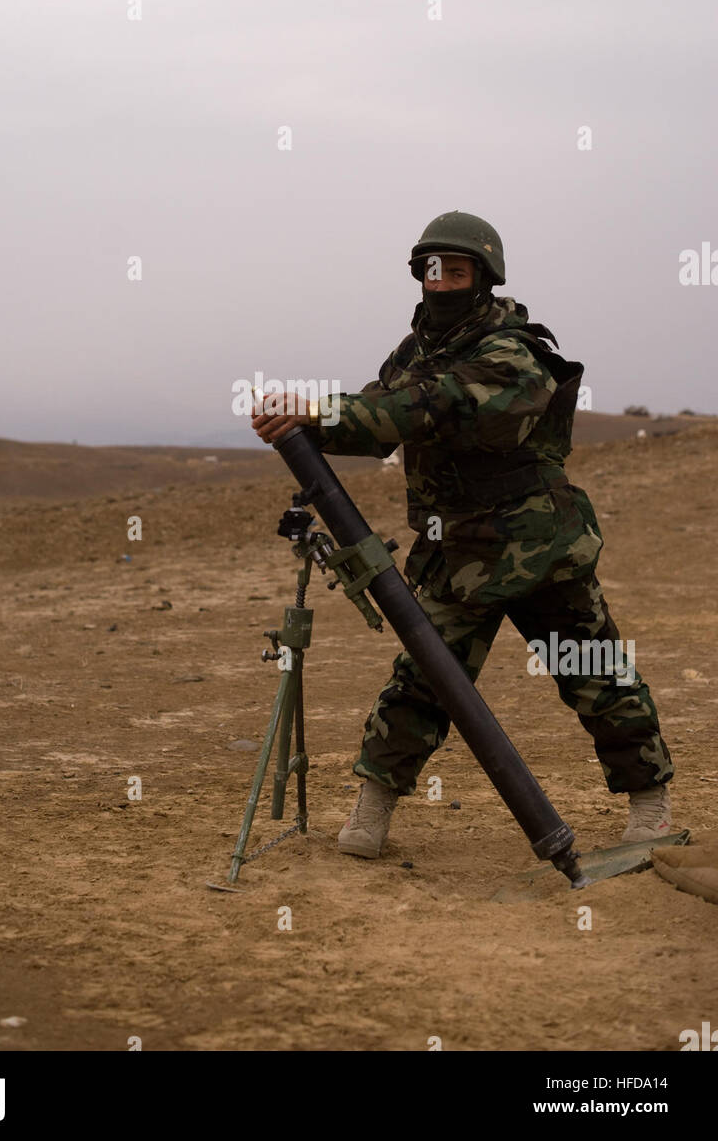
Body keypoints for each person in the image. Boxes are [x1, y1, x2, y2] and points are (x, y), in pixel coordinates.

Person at [251, 210, 674, 859]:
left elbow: (437, 407)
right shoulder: (412, 352)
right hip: (459, 557)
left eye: (457, 270)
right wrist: (303, 423)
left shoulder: (514, 350)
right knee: (422, 682)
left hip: (541, 550)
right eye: (430, 269)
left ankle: (651, 807)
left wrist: (322, 410)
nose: (441, 282)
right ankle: (372, 812)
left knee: (595, 674)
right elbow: (379, 419)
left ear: (485, 277)